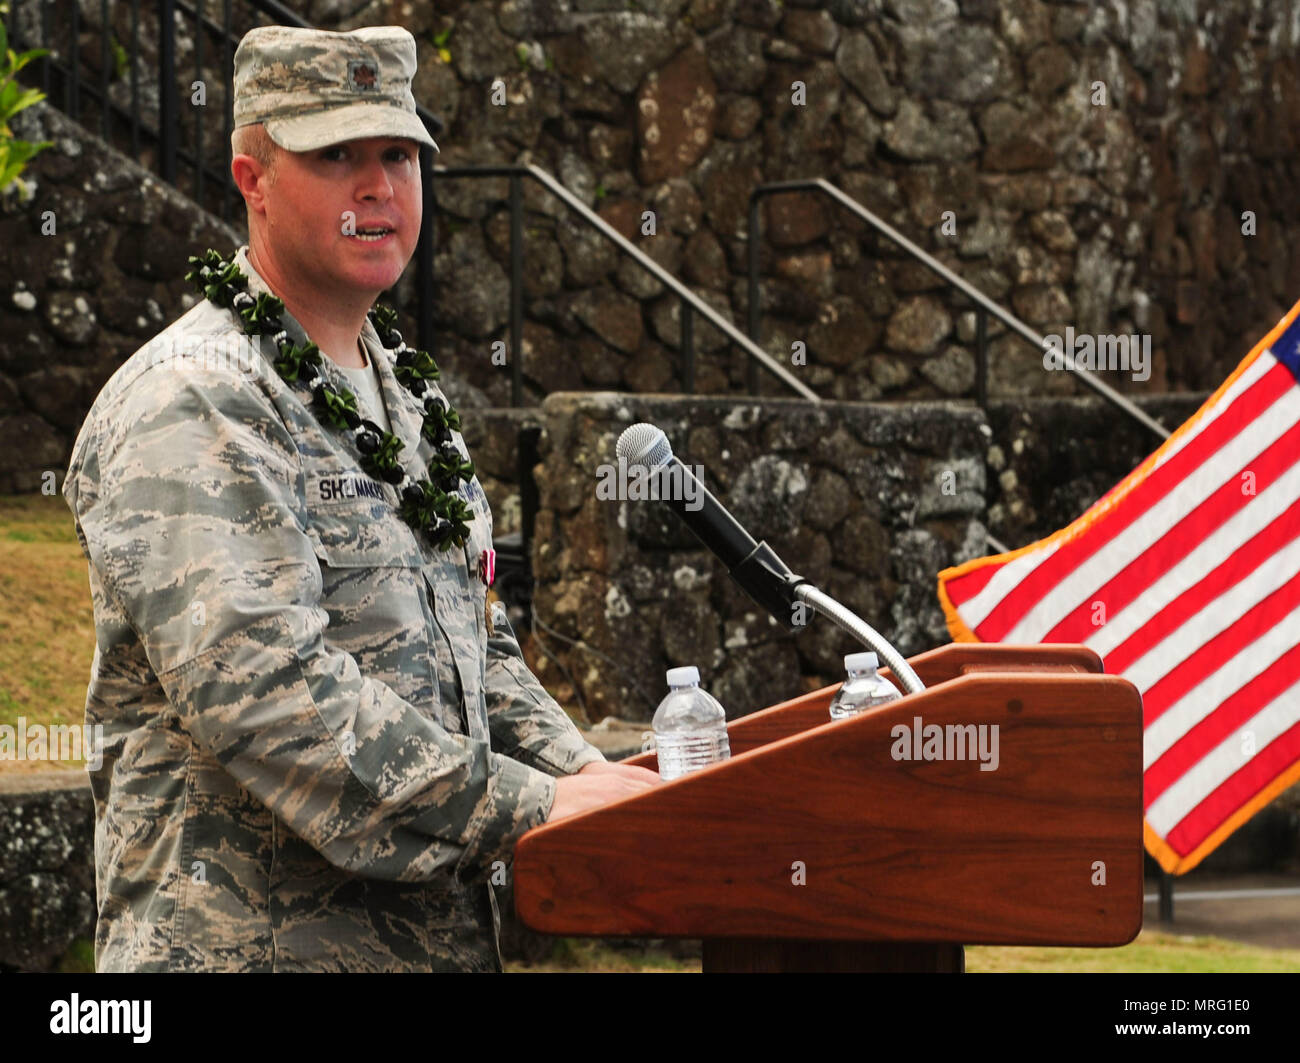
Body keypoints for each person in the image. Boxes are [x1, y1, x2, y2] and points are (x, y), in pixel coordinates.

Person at [61, 24, 659, 973]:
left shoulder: (407, 397)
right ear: (251, 178)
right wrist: (531, 804)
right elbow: (268, 697)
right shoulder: (195, 398)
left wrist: (584, 771)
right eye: (336, 154)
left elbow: (478, 646)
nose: (379, 186)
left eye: (399, 153)